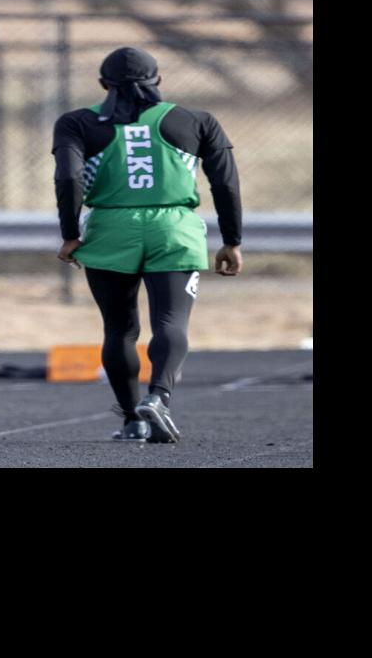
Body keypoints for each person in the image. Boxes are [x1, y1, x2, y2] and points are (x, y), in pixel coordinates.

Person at [52, 47, 244, 443]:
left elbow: (68, 178)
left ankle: (132, 420)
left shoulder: (77, 123)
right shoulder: (196, 120)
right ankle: (158, 398)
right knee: (171, 322)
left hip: (110, 227)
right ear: (158, 81)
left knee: (119, 329)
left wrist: (70, 232)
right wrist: (232, 239)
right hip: (174, 228)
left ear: (103, 84)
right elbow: (224, 181)